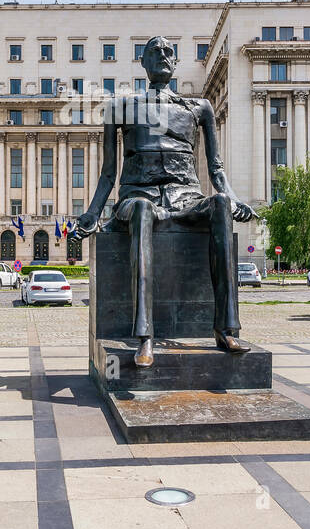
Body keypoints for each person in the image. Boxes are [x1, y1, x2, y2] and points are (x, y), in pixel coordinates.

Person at [73, 36, 255, 367]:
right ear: (143, 62)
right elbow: (108, 173)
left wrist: (234, 199)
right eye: (154, 52)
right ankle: (145, 336)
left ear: (175, 62)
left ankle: (226, 328)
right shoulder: (121, 107)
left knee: (219, 205)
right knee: (142, 210)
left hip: (185, 195)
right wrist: (91, 214)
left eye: (168, 52)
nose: (163, 56)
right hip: (137, 195)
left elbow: (215, 168)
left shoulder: (199, 108)